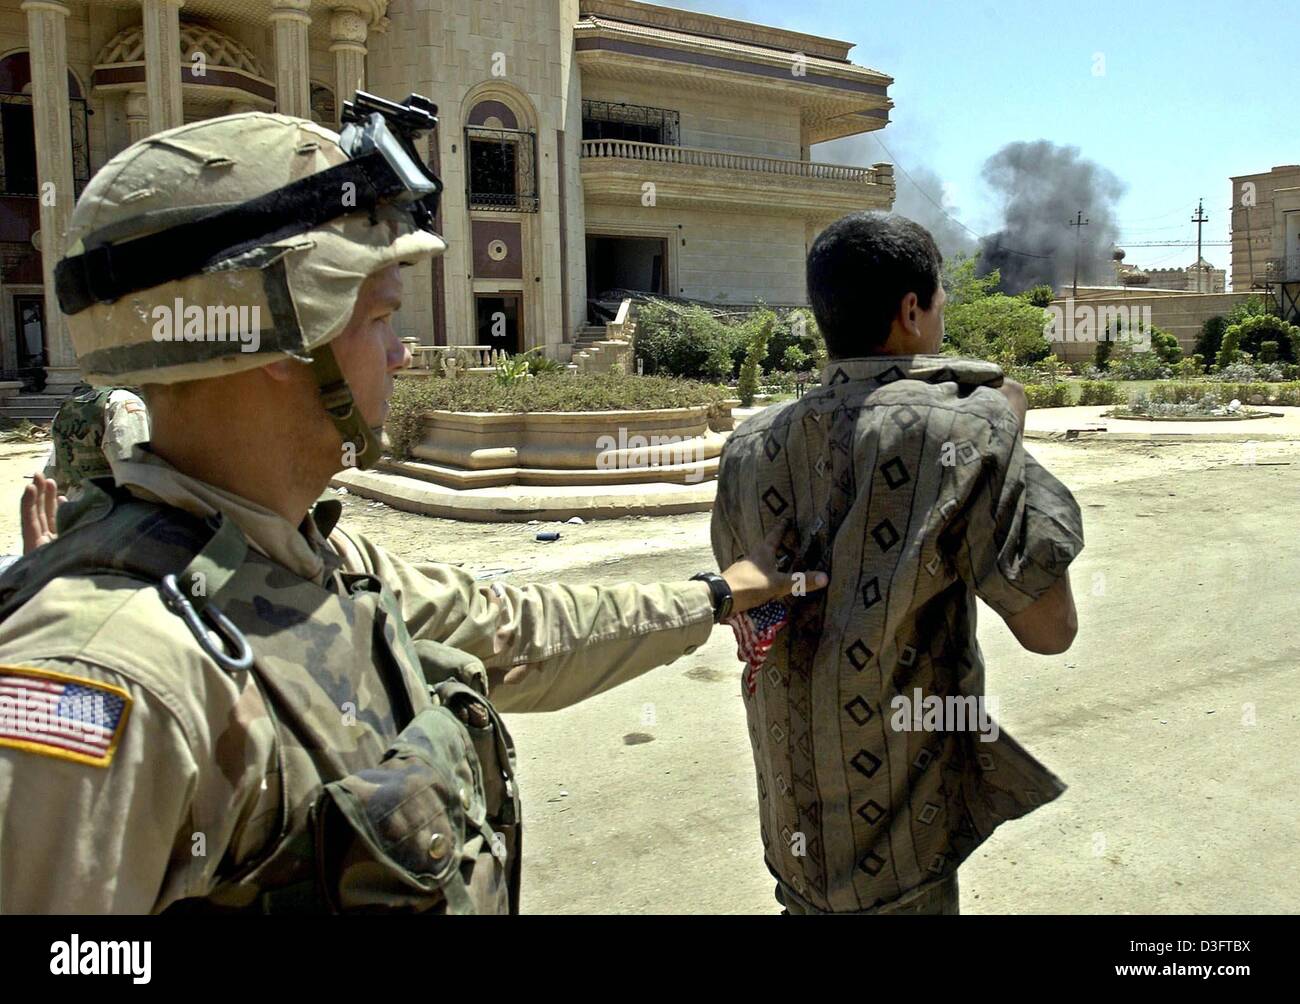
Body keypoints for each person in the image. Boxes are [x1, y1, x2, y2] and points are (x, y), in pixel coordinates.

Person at [0, 95, 821, 914]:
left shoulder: (311, 563)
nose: (403, 352)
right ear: (283, 334)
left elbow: (520, 630)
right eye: (382, 317)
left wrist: (717, 596)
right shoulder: (104, 676)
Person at [711, 212, 1083, 916]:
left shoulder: (748, 447)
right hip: (900, 855)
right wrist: (1002, 441)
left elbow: (753, 617)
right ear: (911, 310)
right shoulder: (965, 427)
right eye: (940, 303)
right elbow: (1050, 627)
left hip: (796, 844)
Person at [43, 383, 150, 498]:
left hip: (77, 503)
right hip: (114, 505)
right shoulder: (124, 402)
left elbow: (55, 474)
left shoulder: (71, 405)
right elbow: (134, 473)